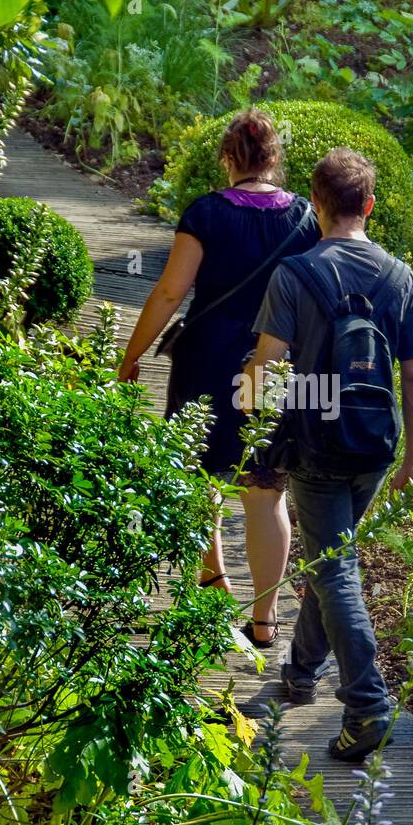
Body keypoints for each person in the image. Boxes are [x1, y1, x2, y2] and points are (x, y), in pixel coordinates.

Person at [242, 147, 413, 761]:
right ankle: (300, 675)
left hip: (318, 442)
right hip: (375, 446)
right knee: (333, 559)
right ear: (369, 205)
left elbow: (269, 364)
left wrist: (247, 408)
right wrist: (411, 459)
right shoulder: (400, 278)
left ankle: (368, 706)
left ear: (316, 206)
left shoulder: (295, 274)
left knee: (334, 570)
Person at [118, 109, 319, 646]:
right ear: (275, 160)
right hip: (275, 363)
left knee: (198, 473)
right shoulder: (305, 217)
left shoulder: (205, 214)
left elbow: (168, 293)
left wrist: (131, 356)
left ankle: (214, 578)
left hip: (206, 356)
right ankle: (265, 618)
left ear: (228, 159)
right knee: (265, 490)